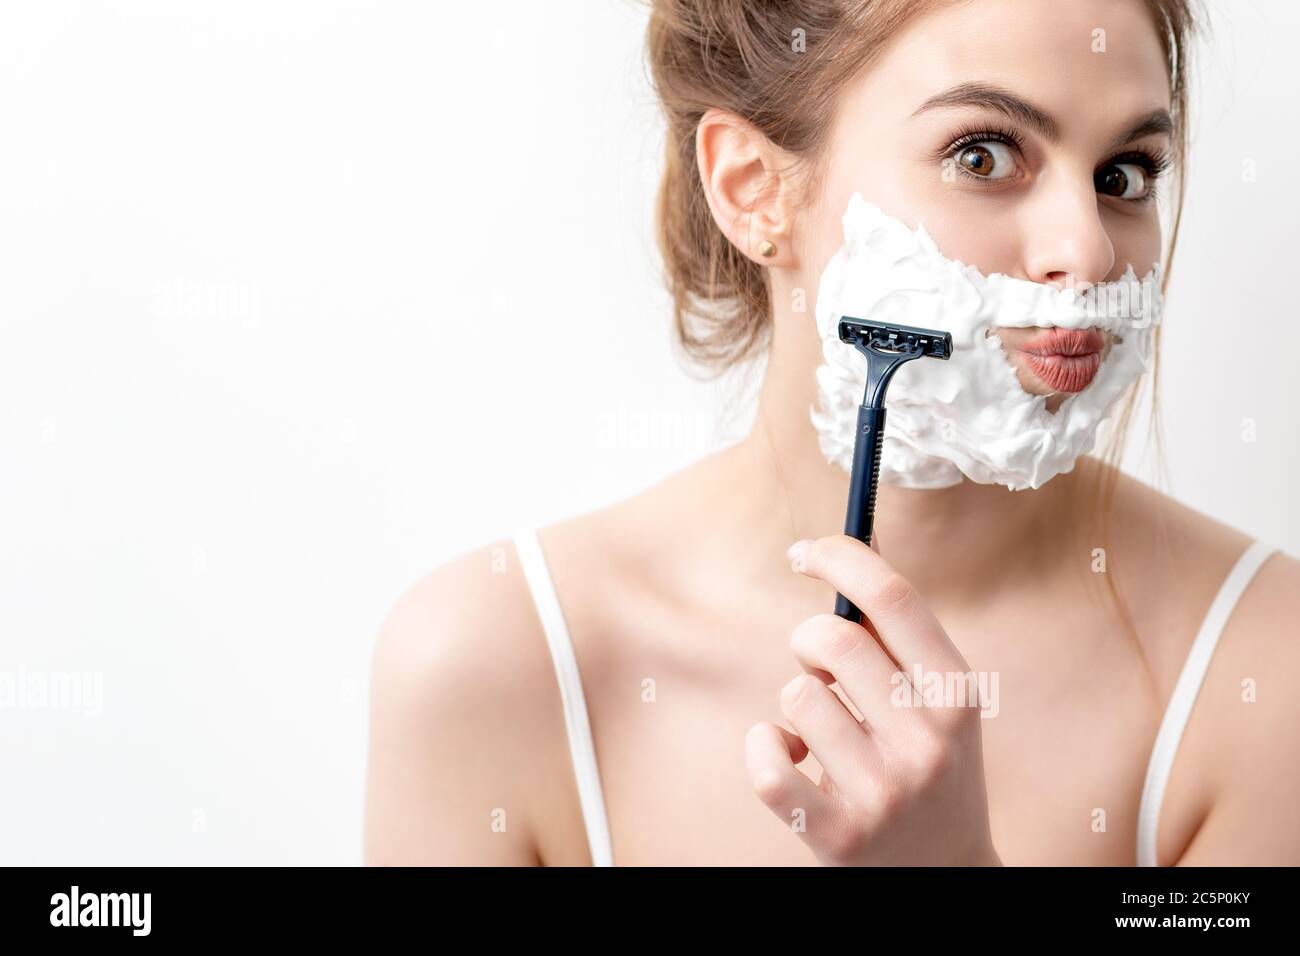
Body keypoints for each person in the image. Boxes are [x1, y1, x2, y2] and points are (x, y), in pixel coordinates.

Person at [363, 0, 1300, 866]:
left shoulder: (1264, 670)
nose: (1089, 250)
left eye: (1123, 174)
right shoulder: (492, 665)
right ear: (753, 190)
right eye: (983, 155)